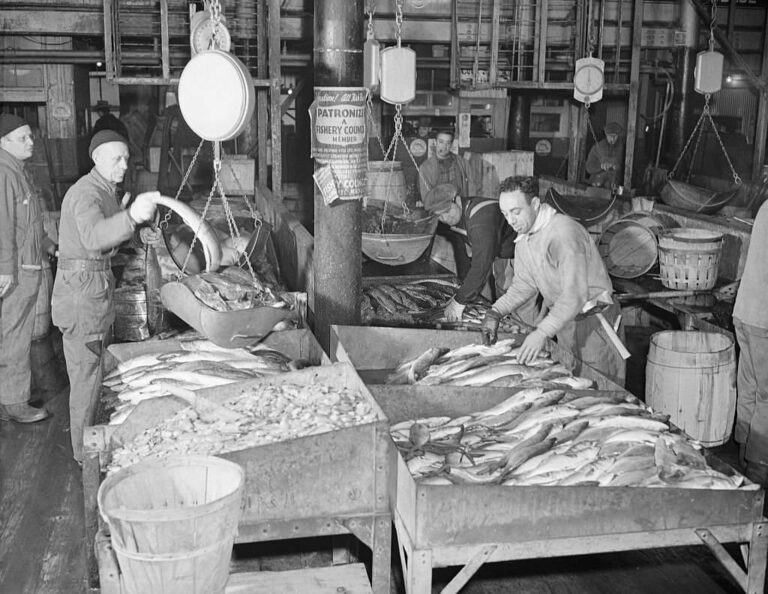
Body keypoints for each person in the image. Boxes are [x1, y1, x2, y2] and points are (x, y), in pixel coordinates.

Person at [51, 130, 158, 464]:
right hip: (81, 297)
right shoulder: (85, 194)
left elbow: (110, 235)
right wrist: (131, 216)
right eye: (117, 159)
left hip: (93, 289)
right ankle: (86, 457)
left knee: (95, 373)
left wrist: (138, 234)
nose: (124, 165)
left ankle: (93, 445)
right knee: (86, 379)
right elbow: (95, 237)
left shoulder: (105, 191)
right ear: (96, 158)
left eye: (126, 158)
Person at [481, 176, 625, 386]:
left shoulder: (563, 234)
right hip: (564, 323)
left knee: (602, 390)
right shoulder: (524, 240)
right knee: (573, 387)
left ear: (535, 204)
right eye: (505, 214)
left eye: (516, 211)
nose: (510, 221)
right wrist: (495, 312)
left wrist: (541, 332)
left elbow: (575, 295)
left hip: (595, 325)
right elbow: (523, 286)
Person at [0, 114, 55, 423]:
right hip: (18, 270)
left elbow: (30, 224)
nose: (31, 142)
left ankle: (11, 393)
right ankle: (14, 402)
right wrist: (5, 270)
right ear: (3, 142)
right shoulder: (4, 173)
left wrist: (50, 245)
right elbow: (3, 226)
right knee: (15, 335)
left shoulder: (18, 172)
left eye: (30, 136)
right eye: (22, 138)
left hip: (27, 264)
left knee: (14, 333)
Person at [423, 185, 516, 321]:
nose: (445, 218)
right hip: (502, 253)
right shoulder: (460, 215)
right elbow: (468, 256)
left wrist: (460, 300)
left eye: (447, 211)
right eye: (439, 216)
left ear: (457, 200)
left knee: (522, 306)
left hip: (525, 253)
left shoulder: (479, 221)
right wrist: (462, 292)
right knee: (505, 300)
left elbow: (481, 267)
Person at [733, 199, 768, 484]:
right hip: (764, 320)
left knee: (750, 387)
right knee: (766, 396)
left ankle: (744, 451)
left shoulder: (766, 206)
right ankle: (760, 466)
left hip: (745, 311)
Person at [585, 122, 625, 188]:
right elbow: (588, 167)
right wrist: (600, 166)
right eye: (610, 136)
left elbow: (623, 166)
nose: (613, 139)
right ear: (606, 134)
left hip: (613, 185)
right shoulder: (598, 147)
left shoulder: (622, 148)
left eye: (615, 136)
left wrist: (617, 167)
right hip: (597, 185)